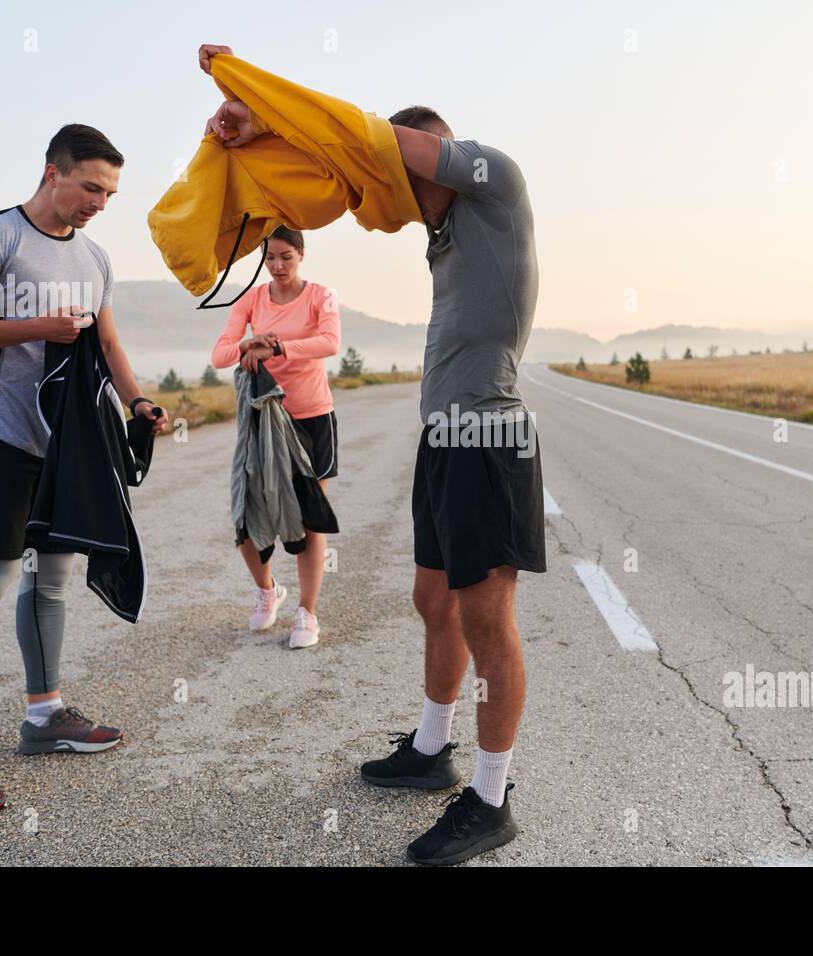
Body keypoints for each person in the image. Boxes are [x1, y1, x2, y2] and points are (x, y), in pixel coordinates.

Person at [199, 44, 544, 865]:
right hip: (444, 438)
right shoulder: (447, 233)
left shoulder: (493, 178)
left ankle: (492, 798)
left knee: (487, 616)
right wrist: (255, 150)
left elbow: (367, 141)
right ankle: (433, 749)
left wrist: (265, 103)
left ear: (434, 158)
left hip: (488, 435)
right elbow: (349, 163)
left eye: (402, 181)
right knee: (435, 601)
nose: (393, 201)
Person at [0, 124, 169, 817]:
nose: (99, 202)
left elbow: (106, 339)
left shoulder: (94, 256)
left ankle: (44, 715)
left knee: (50, 580)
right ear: (52, 172)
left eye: (110, 193)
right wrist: (34, 328)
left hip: (63, 445)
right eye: (90, 186)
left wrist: (136, 399)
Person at [210, 226, 340, 648]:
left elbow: (329, 342)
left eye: (286, 256)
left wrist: (277, 347)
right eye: (270, 258)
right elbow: (220, 353)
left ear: (301, 254)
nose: (278, 266)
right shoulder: (252, 298)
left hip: (311, 417)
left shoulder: (321, 296)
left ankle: (308, 613)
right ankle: (268, 591)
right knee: (246, 512)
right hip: (264, 418)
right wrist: (248, 342)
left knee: (308, 516)